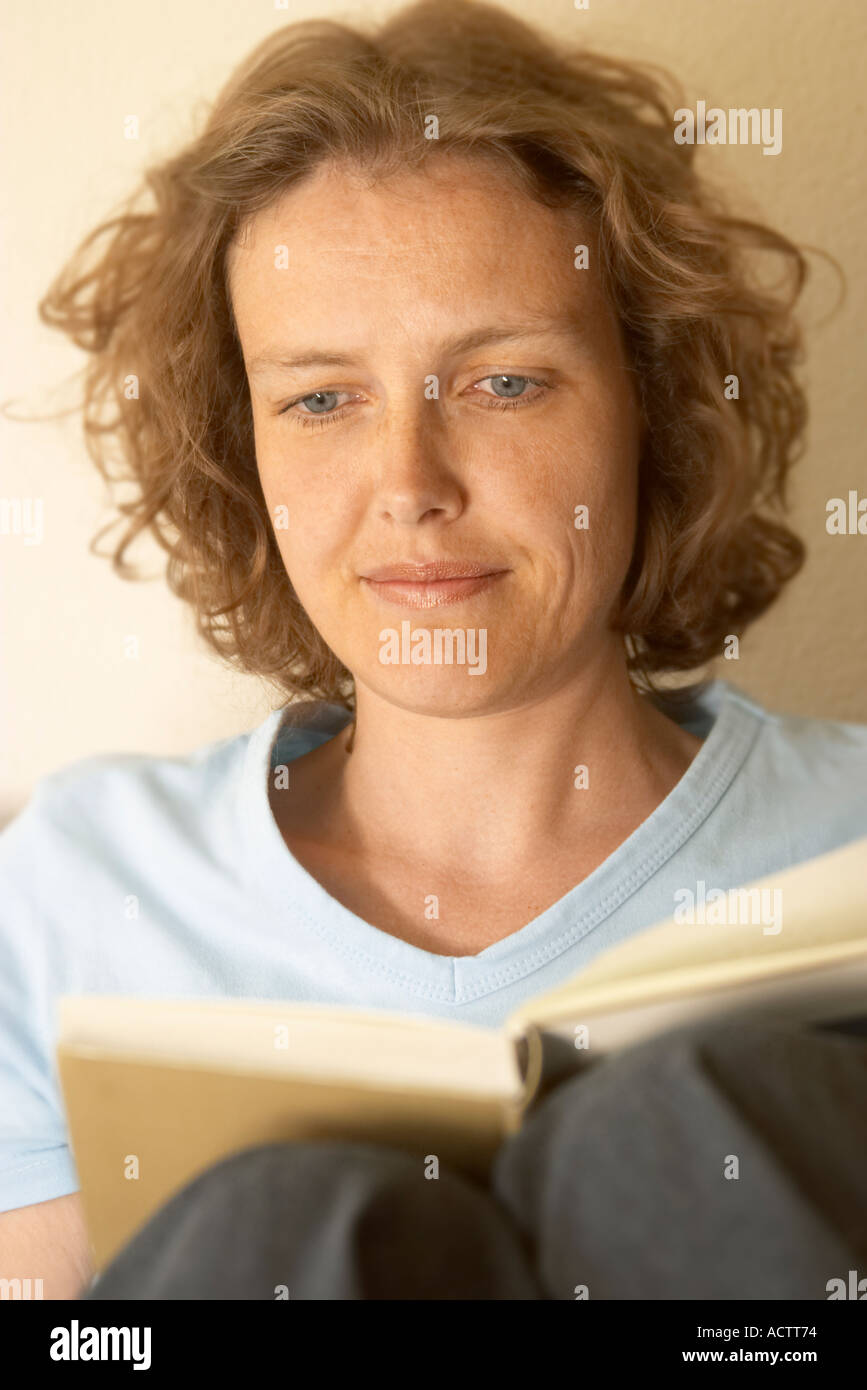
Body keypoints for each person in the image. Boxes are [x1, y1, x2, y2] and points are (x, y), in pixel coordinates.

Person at [1, 0, 865, 1300]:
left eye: (502, 382)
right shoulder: (74, 889)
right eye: (321, 399)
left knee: (695, 1120)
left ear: (655, 403)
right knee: (280, 1221)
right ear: (246, 449)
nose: (408, 483)